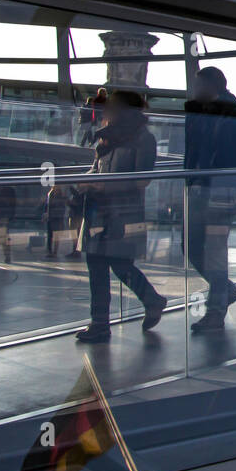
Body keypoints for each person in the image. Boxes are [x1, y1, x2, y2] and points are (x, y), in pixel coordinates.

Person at [75, 91, 167, 343]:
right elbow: (97, 168)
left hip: (122, 212)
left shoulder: (144, 139)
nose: (106, 113)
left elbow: (142, 180)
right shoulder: (108, 137)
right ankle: (100, 323)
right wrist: (84, 181)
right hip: (98, 210)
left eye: (112, 108)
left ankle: (151, 300)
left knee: (119, 263)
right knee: (97, 264)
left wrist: (104, 186)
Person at [183, 67, 236, 332]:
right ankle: (223, 291)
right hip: (203, 189)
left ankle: (216, 311)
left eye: (197, 84)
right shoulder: (202, 115)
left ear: (210, 86)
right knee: (192, 247)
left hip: (220, 192)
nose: (193, 90)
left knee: (213, 251)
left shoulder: (235, 117)